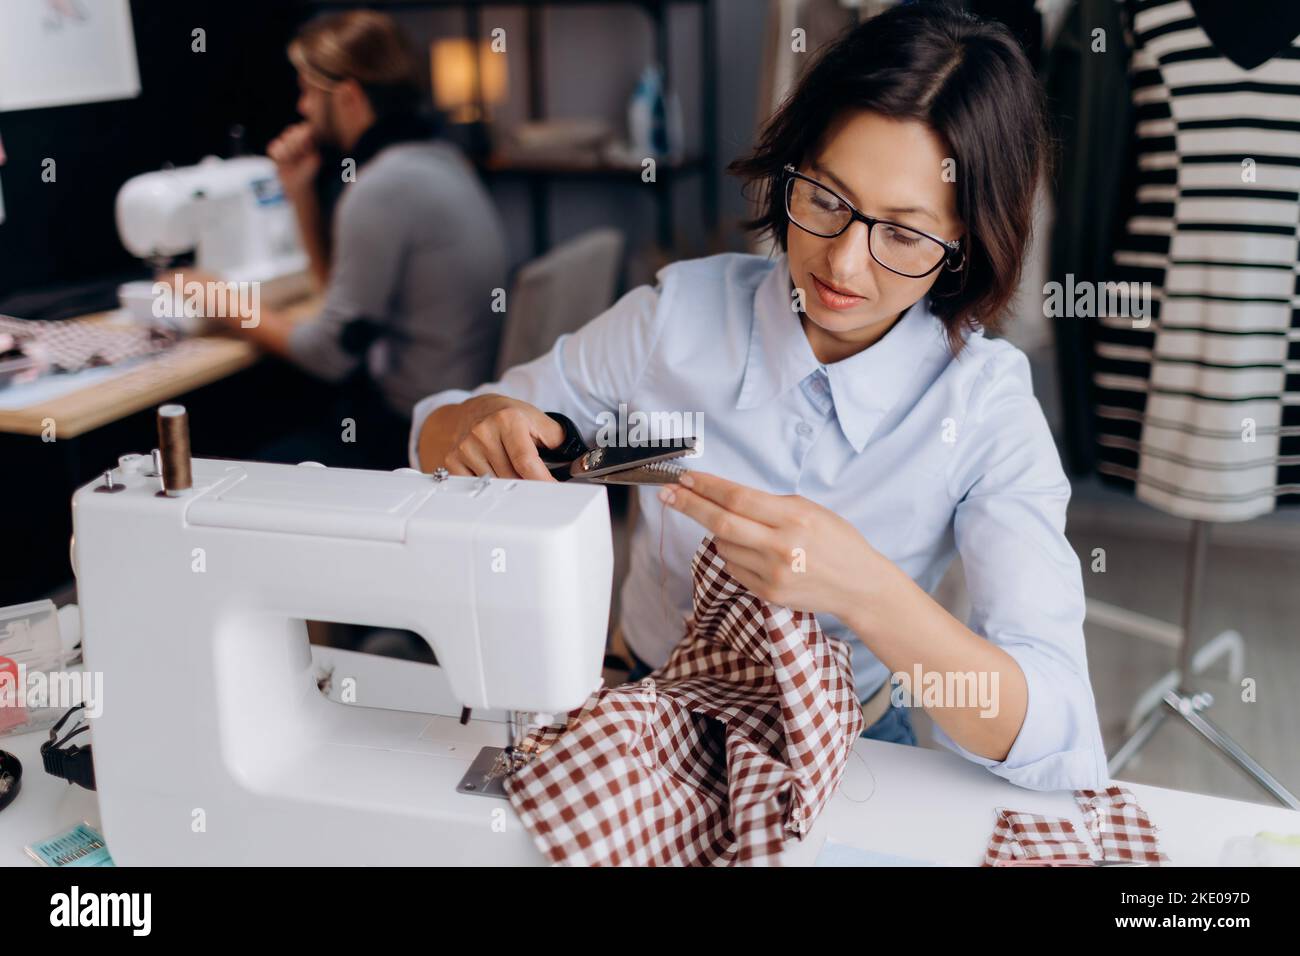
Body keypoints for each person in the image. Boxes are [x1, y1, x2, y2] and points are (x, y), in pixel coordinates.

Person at [410, 4, 1108, 790]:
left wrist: (864, 589)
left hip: (859, 746)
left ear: (965, 246)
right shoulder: (676, 319)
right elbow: (444, 430)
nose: (843, 265)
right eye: (826, 199)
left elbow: (1060, 729)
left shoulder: (984, 409)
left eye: (904, 236)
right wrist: (475, 426)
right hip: (644, 706)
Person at [199, 10, 508, 468]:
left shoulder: (383, 187)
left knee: (238, 457)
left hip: (413, 432)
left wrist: (215, 297)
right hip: (453, 406)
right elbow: (342, 311)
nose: (301, 107)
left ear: (346, 95)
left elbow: (330, 355)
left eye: (306, 90)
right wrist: (301, 193)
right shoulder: (436, 159)